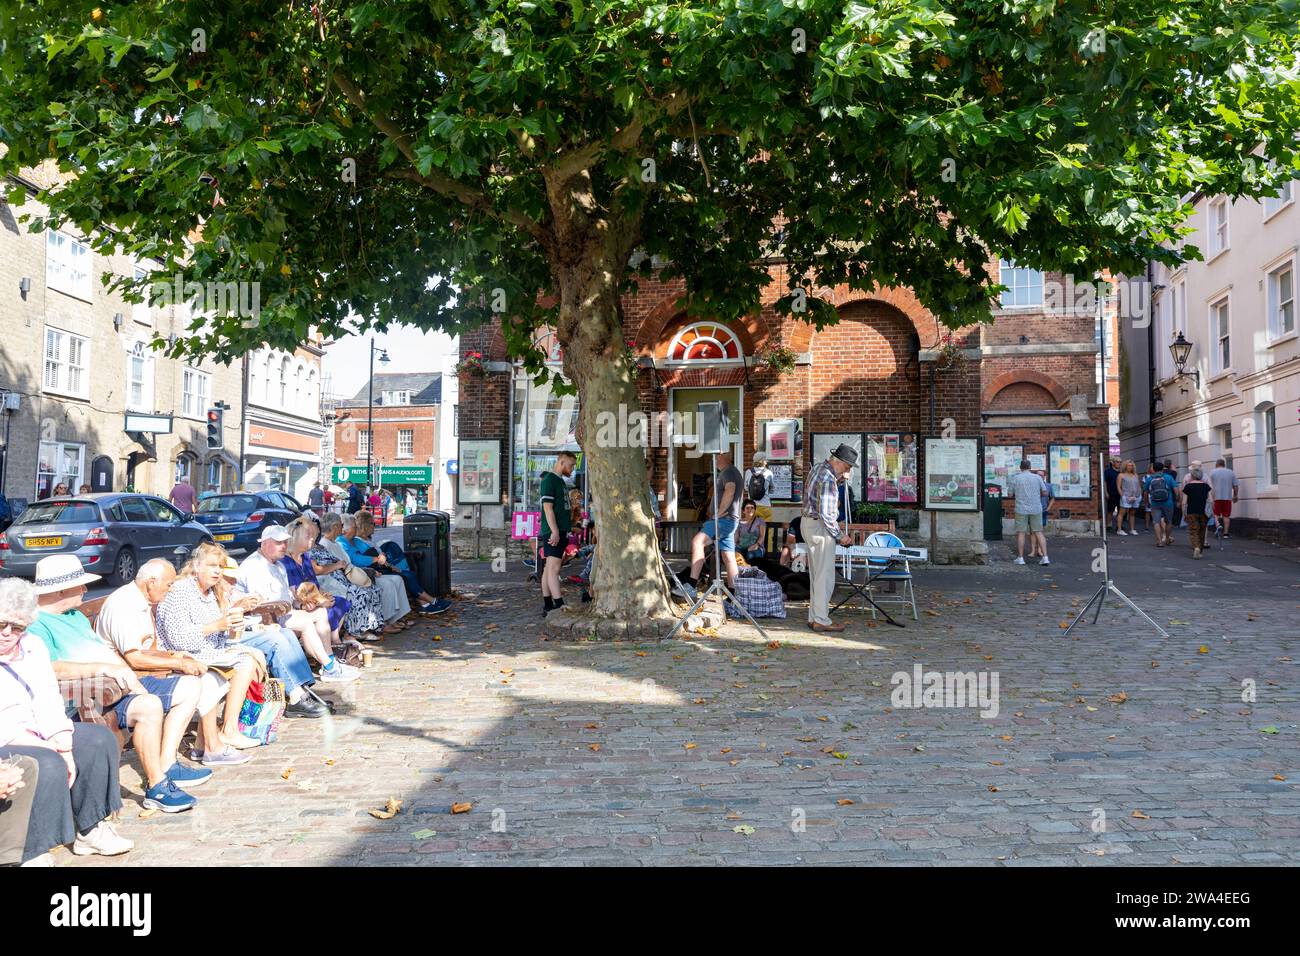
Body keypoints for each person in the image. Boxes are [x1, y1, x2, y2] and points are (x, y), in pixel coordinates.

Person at [25, 555, 200, 812]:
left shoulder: (73, 615)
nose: (86, 590)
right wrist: (106, 668)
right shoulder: (37, 624)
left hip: (114, 687)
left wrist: (125, 671)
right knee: (149, 706)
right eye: (80, 585)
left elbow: (104, 651)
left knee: (183, 688)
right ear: (61, 590)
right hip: (86, 698)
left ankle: (162, 774)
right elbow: (50, 668)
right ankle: (157, 784)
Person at [0, 578, 134, 863]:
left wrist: (61, 740)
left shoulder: (32, 646)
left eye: (18, 627)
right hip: (7, 737)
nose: (8, 634)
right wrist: (49, 749)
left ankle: (90, 826)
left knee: (97, 741)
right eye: (1, 625)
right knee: (44, 763)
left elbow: (47, 697)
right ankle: (30, 848)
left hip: (36, 729)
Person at [99, 559, 257, 766]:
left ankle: (204, 746)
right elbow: (134, 658)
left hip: (138, 672)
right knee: (202, 680)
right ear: (151, 582)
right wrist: (179, 664)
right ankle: (194, 752)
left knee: (207, 672)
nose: (171, 589)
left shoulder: (140, 600)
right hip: (124, 682)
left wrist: (176, 656)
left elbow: (147, 649)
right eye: (169, 584)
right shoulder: (124, 605)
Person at [160, 542, 327, 718]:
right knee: (270, 643)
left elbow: (221, 629)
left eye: (220, 567)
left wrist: (235, 625)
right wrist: (222, 624)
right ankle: (294, 698)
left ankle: (303, 690)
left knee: (282, 634)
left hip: (217, 643)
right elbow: (179, 639)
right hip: (193, 653)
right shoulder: (183, 591)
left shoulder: (208, 591)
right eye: (212, 566)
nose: (218, 571)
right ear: (196, 565)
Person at [235, 526, 359, 683]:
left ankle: (330, 662)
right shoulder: (254, 566)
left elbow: (287, 596)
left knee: (320, 613)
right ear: (265, 543)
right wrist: (296, 610)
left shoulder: (278, 565)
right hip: (262, 619)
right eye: (279, 542)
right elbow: (258, 605)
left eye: (285, 542)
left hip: (283, 612)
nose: (284, 546)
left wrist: (302, 606)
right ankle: (330, 668)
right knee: (306, 622)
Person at [309, 513, 398, 637]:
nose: (342, 528)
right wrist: (338, 566)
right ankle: (358, 631)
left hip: (343, 576)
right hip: (330, 580)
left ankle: (374, 625)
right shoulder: (321, 545)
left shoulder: (326, 545)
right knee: (359, 592)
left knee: (372, 589)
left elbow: (346, 562)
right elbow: (318, 570)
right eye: (341, 525)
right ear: (335, 527)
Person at [349, 510, 449, 614]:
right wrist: (391, 567)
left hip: (383, 567)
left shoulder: (366, 540)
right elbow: (374, 560)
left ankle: (426, 604)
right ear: (365, 526)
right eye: (373, 523)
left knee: (408, 574)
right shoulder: (360, 542)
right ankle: (432, 601)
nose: (375, 526)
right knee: (407, 576)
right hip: (377, 570)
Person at [802, 443, 856, 632]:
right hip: (820, 526)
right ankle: (821, 620)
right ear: (839, 462)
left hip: (809, 523)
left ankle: (815, 617)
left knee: (817, 575)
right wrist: (840, 536)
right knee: (824, 577)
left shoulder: (819, 468)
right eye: (847, 467)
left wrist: (840, 480)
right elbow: (826, 513)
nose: (847, 471)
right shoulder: (828, 478)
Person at [335, 513, 413, 626]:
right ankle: (385, 621)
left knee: (397, 580)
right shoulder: (341, 542)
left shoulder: (354, 540)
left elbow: (370, 550)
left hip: (366, 571)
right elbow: (355, 559)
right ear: (346, 529)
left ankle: (396, 617)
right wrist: (376, 559)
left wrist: (380, 556)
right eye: (354, 526)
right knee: (388, 584)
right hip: (358, 574)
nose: (357, 528)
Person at [684, 449, 744, 594]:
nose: (714, 459)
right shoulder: (732, 472)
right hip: (730, 521)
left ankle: (692, 584)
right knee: (728, 556)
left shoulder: (728, 472)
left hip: (723, 520)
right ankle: (733, 595)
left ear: (723, 456)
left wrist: (719, 513)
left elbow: (730, 490)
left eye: (717, 456)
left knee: (697, 542)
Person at [537, 451, 578, 616]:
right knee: (554, 568)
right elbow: (547, 507)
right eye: (571, 465)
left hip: (559, 530)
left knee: (549, 568)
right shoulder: (549, 480)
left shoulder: (559, 481)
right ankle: (559, 604)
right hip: (553, 531)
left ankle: (548, 605)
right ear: (562, 462)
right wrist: (554, 531)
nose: (573, 469)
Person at [1008, 459, 1050, 566]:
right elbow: (1045, 492)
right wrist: (1036, 495)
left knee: (1021, 532)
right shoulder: (1037, 478)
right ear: (1030, 467)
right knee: (1038, 532)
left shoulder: (1015, 478)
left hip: (1021, 508)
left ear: (1020, 467)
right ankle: (1045, 557)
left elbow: (1009, 495)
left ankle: (1020, 558)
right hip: (1036, 508)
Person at [1182, 467, 1213, 558]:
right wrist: (1211, 511)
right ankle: (1200, 551)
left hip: (1191, 511)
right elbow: (1210, 500)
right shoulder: (1206, 486)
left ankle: (1196, 547)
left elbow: (1184, 502)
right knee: (1202, 531)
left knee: (1193, 530)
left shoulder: (1188, 486)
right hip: (1204, 512)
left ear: (1192, 476)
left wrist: (1184, 513)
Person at [1146, 462, 1176, 547]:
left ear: (1153, 469)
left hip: (1155, 503)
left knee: (1156, 522)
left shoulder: (1149, 479)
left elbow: (1145, 492)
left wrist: (1147, 502)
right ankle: (1167, 539)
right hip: (1168, 502)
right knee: (1169, 521)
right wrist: (1177, 499)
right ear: (1163, 469)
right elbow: (1176, 490)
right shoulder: (1168, 477)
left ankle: (1159, 541)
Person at [1209, 458, 1239, 538]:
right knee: (1226, 516)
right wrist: (1235, 495)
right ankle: (1226, 534)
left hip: (1216, 497)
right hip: (1227, 498)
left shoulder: (1212, 472)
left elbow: (1209, 486)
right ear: (1224, 464)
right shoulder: (1230, 472)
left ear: (1216, 464)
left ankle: (1218, 526)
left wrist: (1209, 497)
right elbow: (1235, 486)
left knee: (1216, 514)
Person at [1028, 470, 1055, 559]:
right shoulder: (1031, 485)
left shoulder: (1049, 486)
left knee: (1040, 531)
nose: (1041, 477)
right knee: (1032, 531)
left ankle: (1039, 550)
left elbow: (1052, 498)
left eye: (1042, 475)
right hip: (1033, 510)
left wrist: (1048, 508)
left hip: (1043, 511)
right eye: (1039, 475)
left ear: (1044, 477)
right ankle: (1032, 551)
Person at [742, 455, 775, 521]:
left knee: (752, 528)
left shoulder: (748, 472)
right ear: (764, 461)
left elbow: (746, 488)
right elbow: (772, 490)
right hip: (765, 505)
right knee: (767, 528)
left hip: (752, 506)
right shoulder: (769, 473)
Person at [1117, 459, 1143, 535]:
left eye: (1131, 466)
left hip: (1136, 496)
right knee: (1122, 513)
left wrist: (1140, 495)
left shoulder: (1135, 475)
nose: (1130, 467)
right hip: (1126, 496)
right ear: (1125, 466)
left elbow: (1138, 485)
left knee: (1132, 513)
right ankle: (1119, 530)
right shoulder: (1121, 475)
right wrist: (1122, 496)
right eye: (1128, 465)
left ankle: (1132, 529)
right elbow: (1118, 487)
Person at [1103, 457, 1121, 533]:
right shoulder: (1108, 471)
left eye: (1120, 462)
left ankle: (1118, 525)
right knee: (1110, 510)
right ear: (1113, 462)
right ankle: (1108, 525)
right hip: (1111, 493)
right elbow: (1105, 482)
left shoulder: (1121, 472)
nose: (1119, 463)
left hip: (1120, 494)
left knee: (1121, 511)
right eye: (1117, 462)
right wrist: (1106, 492)